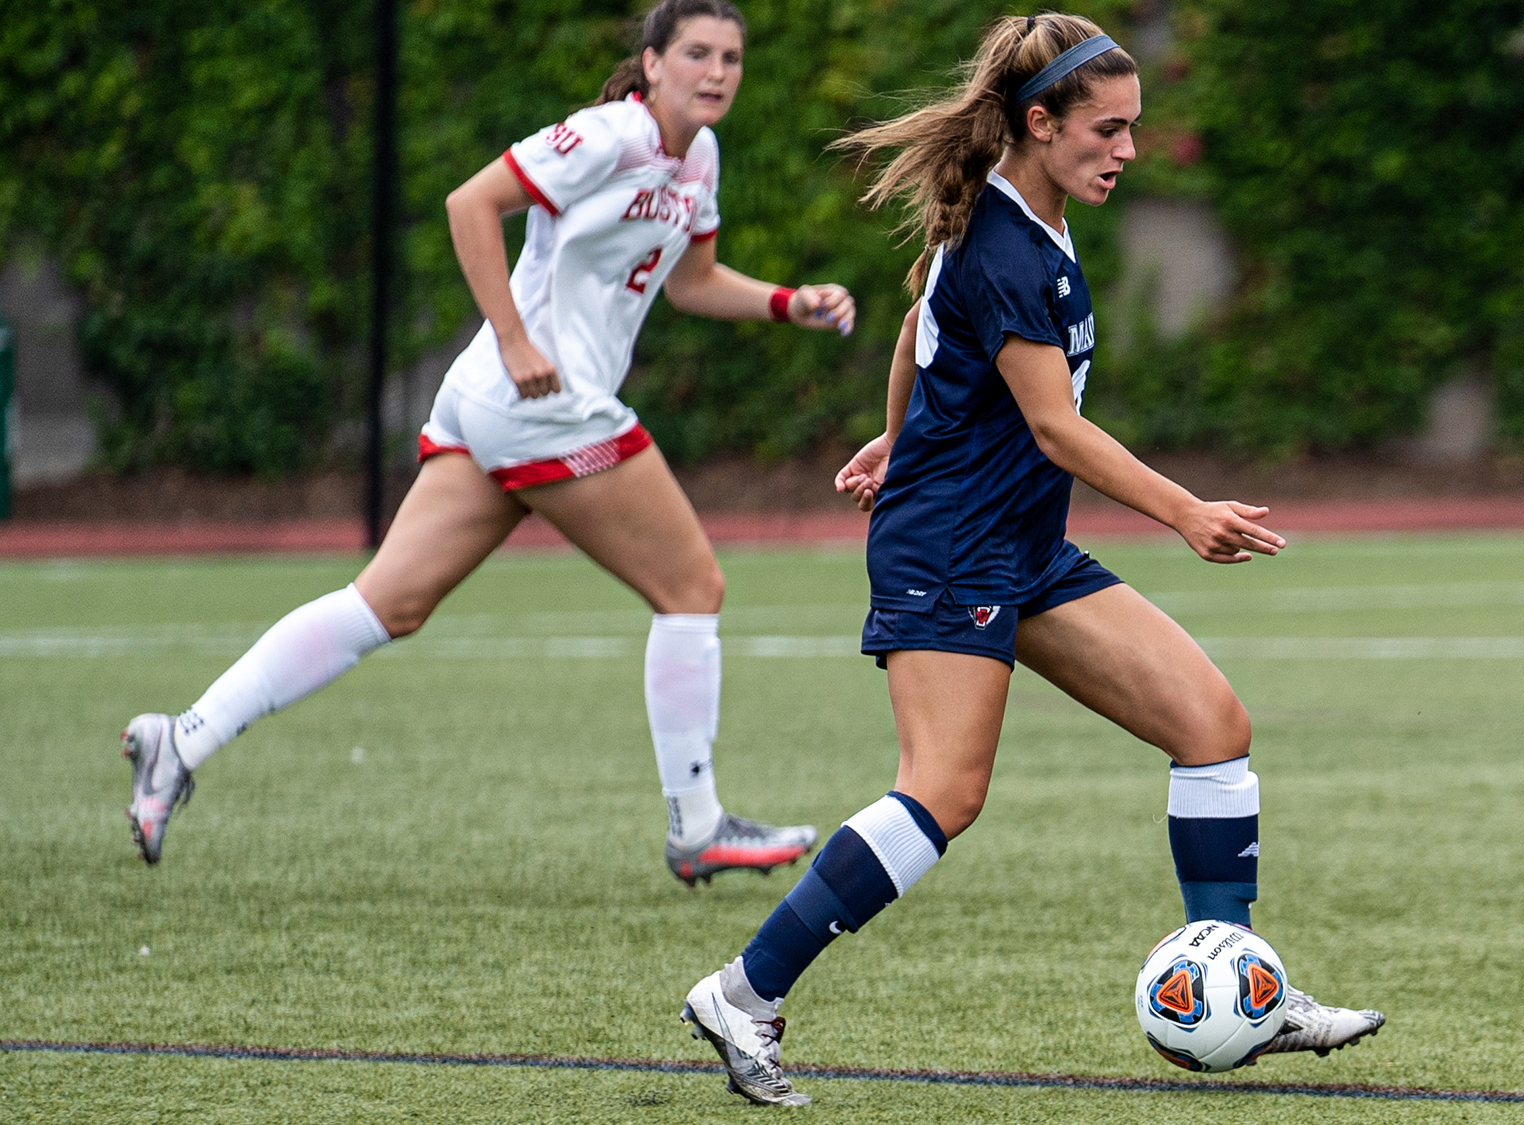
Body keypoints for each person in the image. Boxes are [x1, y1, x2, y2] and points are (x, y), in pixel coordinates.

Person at [677, 14, 1384, 1106]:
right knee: (942, 794)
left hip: (1019, 543)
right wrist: (1183, 511)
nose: (1127, 150)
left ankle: (1242, 993)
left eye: (1134, 129)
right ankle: (745, 992)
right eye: (1106, 129)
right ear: (1037, 122)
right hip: (950, 551)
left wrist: (898, 428)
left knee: (1210, 729)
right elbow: (1054, 427)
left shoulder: (1019, 219)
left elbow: (918, 316)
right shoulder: (1008, 245)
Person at [120, 0, 848, 887]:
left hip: (498, 405)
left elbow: (691, 281)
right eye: (696, 52)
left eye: (731, 57)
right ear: (652, 62)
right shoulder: (607, 134)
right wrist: (513, 336)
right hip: (535, 398)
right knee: (692, 583)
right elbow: (472, 202)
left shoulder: (698, 156)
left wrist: (786, 300)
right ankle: (697, 826)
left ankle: (178, 740)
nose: (717, 71)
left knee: (386, 605)